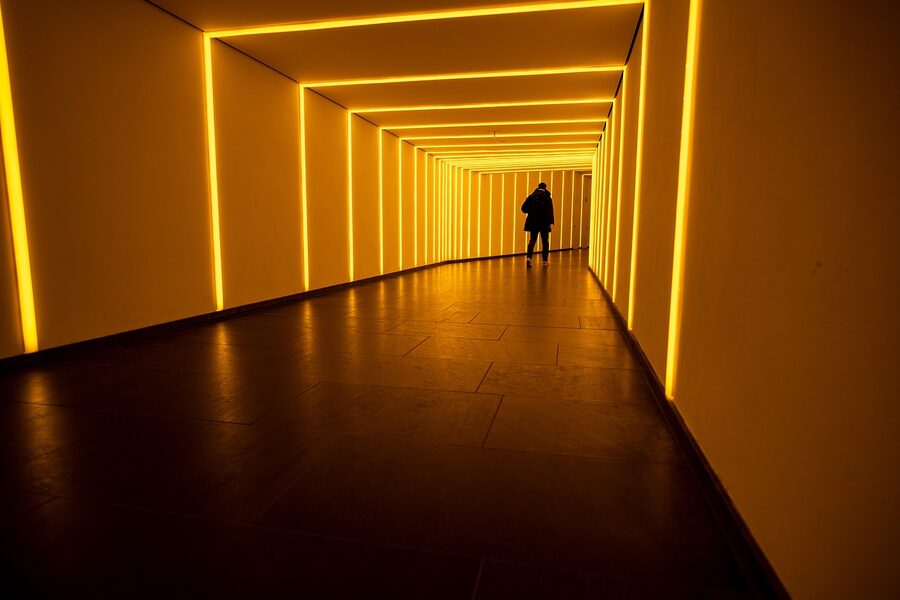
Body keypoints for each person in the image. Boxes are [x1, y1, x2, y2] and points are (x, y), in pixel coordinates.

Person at [521, 182, 554, 268]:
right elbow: (550, 211)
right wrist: (551, 222)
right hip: (544, 223)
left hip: (533, 222)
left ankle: (529, 258)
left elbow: (523, 209)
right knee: (545, 242)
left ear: (538, 187)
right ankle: (544, 260)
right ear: (545, 187)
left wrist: (531, 211)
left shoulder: (531, 197)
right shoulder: (547, 198)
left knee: (532, 241)